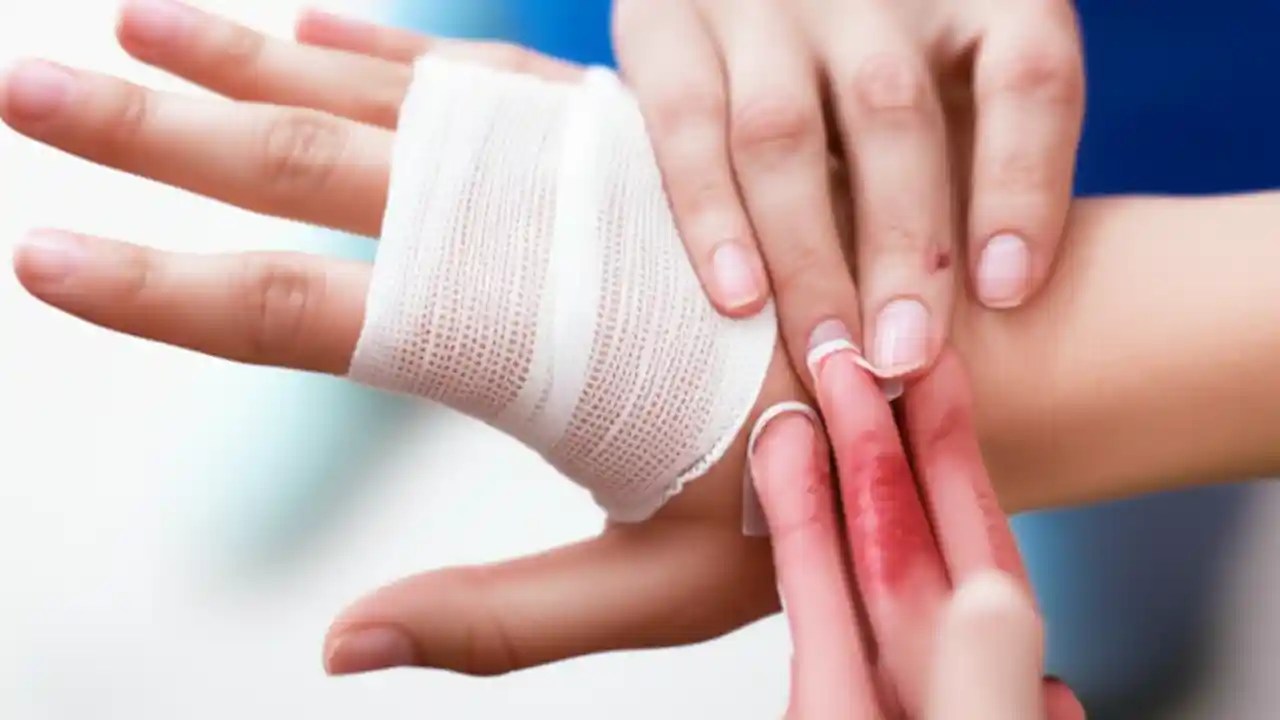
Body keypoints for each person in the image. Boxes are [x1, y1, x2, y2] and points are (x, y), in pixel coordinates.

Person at [5, 0, 1280, 691]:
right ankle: (418, 303)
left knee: (1084, 622)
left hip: (1213, 145)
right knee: (502, 153)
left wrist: (1152, 359)